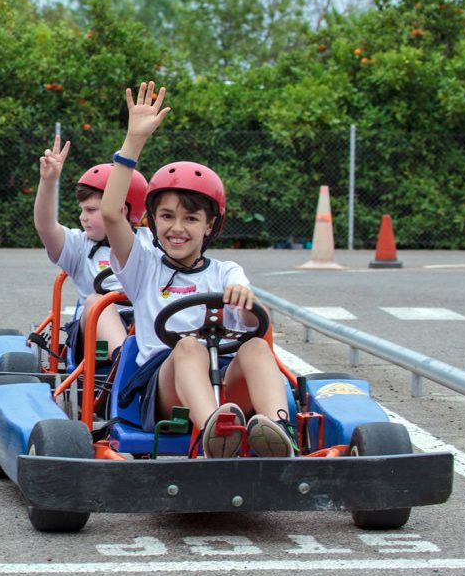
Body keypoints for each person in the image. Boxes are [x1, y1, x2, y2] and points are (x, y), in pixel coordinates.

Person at [101, 80, 295, 458]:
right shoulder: (142, 266)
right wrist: (133, 141)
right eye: (167, 216)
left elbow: (257, 319)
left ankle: (279, 433)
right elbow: (110, 213)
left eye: (190, 218)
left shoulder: (226, 272)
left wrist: (244, 302)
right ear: (152, 221)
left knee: (255, 347)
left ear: (209, 226)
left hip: (225, 379)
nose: (177, 228)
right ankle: (215, 436)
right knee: (188, 346)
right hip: (163, 390)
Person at [34, 135, 148, 360]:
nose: (82, 218)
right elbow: (45, 226)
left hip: (146, 327)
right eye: (83, 209)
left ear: (121, 210)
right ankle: (123, 362)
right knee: (98, 302)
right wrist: (48, 182)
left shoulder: (150, 242)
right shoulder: (79, 246)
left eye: (91, 210)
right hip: (97, 346)